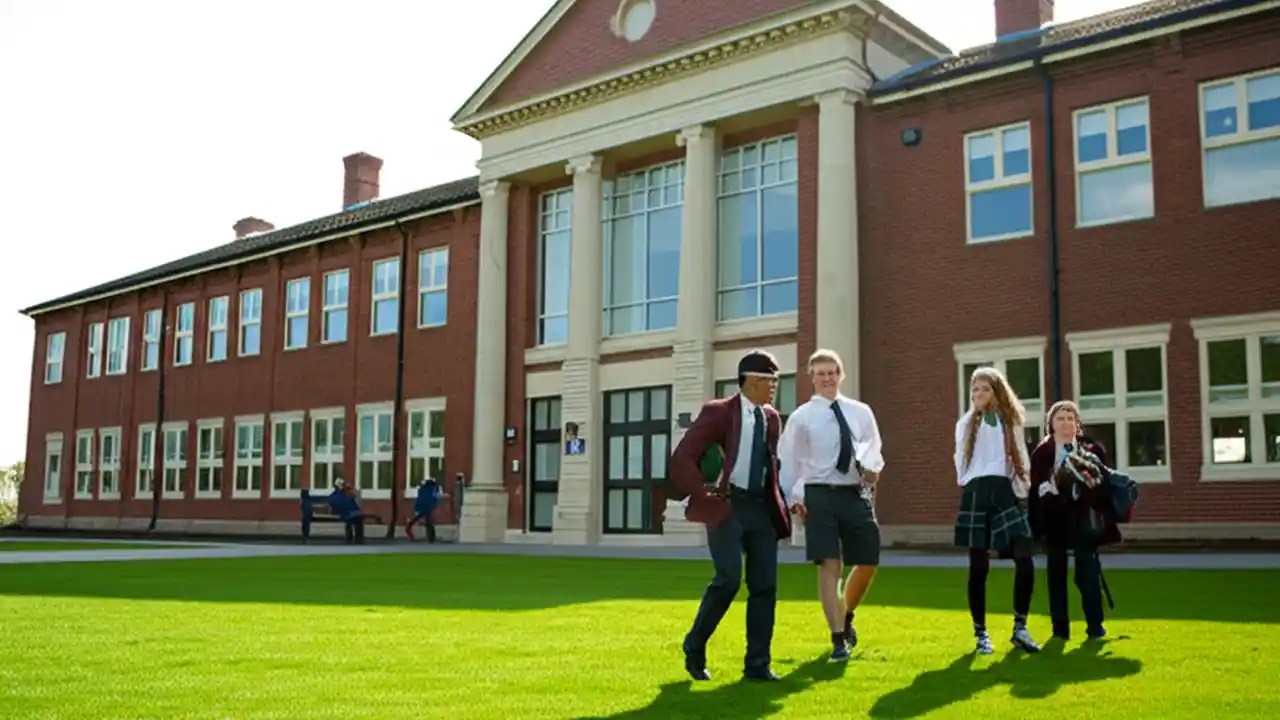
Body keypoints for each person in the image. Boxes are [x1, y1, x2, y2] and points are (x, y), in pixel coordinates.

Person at [669, 349, 791, 682]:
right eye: (770, 381)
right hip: (727, 507)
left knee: (765, 586)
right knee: (728, 580)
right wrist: (705, 493)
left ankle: (758, 664)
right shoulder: (718, 412)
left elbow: (770, 464)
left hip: (760, 509)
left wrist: (786, 499)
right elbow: (682, 457)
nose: (773, 388)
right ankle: (694, 645)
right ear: (751, 381)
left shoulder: (772, 418)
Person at [778, 348, 885, 663]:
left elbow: (873, 447)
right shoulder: (802, 416)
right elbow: (790, 461)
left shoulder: (860, 411)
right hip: (818, 495)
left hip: (854, 493)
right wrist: (794, 498)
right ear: (811, 378)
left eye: (832, 372)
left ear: (841, 375)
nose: (827, 378)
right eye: (821, 373)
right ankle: (838, 639)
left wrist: (873, 468)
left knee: (868, 560)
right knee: (830, 564)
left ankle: (846, 614)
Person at [953, 366, 1042, 655]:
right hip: (977, 493)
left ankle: (1020, 627)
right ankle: (981, 634)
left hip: (1005, 492)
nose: (978, 394)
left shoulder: (1010, 420)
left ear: (997, 391)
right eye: (974, 389)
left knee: (1024, 557)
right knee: (978, 567)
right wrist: (971, 482)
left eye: (984, 388)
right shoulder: (965, 424)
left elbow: (1021, 456)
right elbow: (960, 465)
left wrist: (1024, 489)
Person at [1028, 400, 1121, 641]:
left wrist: (1084, 481)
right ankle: (1060, 631)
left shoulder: (1092, 451)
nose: (1066, 422)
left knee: (1087, 574)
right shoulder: (1042, 453)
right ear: (1051, 424)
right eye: (1060, 418)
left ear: (1077, 424)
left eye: (1070, 418)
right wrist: (1055, 485)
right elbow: (1035, 490)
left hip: (1083, 519)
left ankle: (1095, 627)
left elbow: (1103, 487)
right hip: (1054, 520)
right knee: (1056, 576)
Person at [405, 477, 448, 542]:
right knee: (429, 524)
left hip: (421, 509)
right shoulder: (433, 489)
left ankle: (413, 537)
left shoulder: (422, 489)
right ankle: (431, 538)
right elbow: (435, 498)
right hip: (428, 509)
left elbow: (419, 499)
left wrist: (417, 509)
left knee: (414, 523)